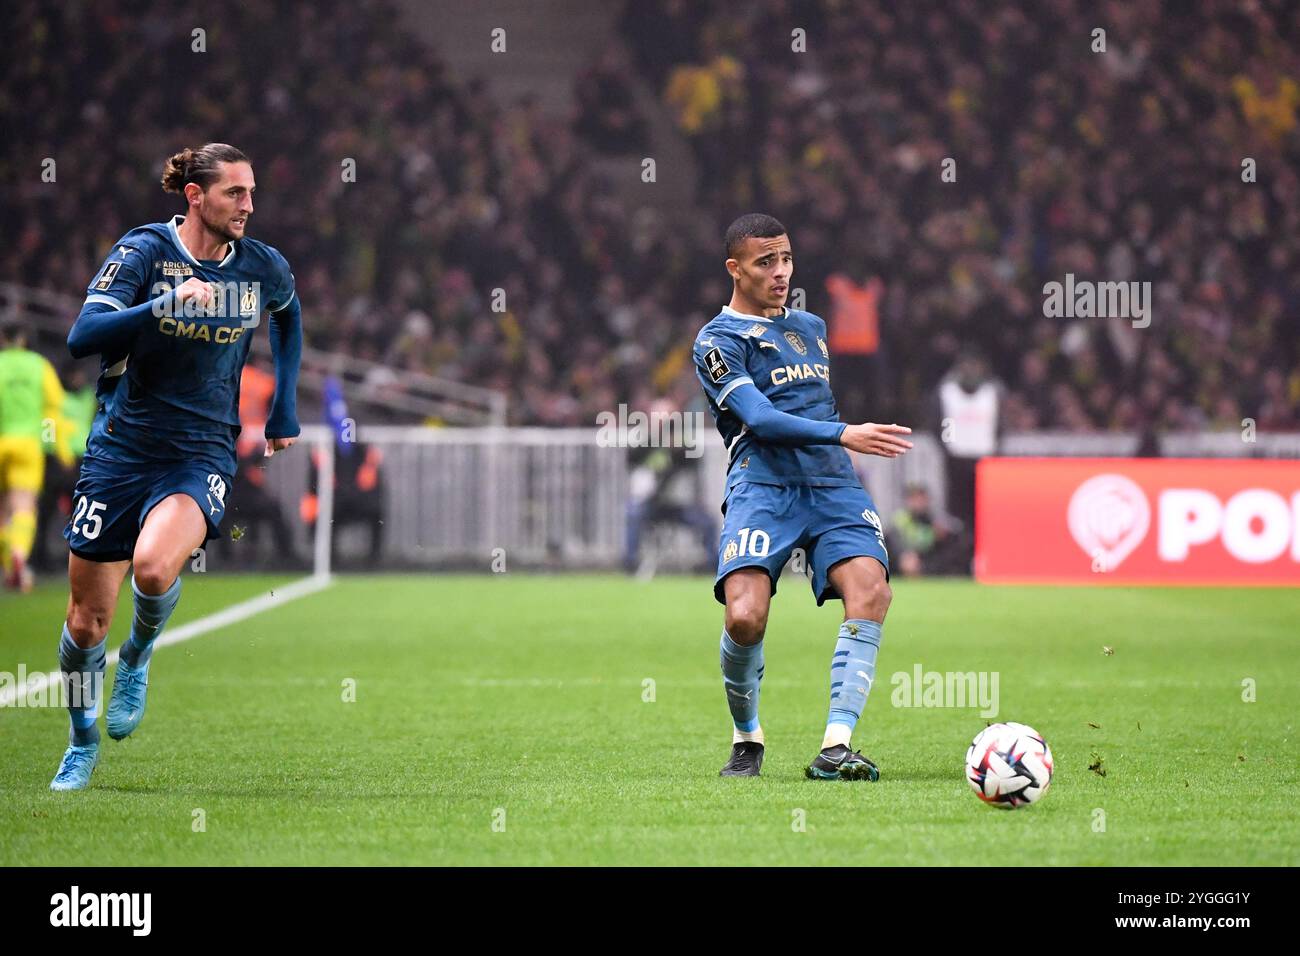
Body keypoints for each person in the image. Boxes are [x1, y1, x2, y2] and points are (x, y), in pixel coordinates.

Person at [50, 143, 303, 791]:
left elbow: (288, 315)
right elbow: (83, 338)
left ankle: (136, 655)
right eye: (234, 194)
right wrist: (163, 307)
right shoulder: (143, 254)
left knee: (155, 566)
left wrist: (283, 409)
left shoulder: (258, 266)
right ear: (196, 196)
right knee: (84, 622)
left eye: (252, 193)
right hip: (121, 448)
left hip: (202, 449)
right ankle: (81, 743)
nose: (249, 205)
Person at [692, 213, 913, 780]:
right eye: (766, 262)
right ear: (734, 269)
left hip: (833, 483)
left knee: (871, 591)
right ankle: (748, 738)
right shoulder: (717, 341)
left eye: (786, 258)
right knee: (744, 617)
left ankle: (836, 747)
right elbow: (761, 419)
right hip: (762, 483)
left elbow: (812, 406)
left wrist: (839, 443)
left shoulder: (811, 327)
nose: (782, 271)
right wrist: (845, 433)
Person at [0, 322, 73, 591]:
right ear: (25, 338)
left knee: (3, 511)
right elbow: (52, 413)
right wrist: (57, 448)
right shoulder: (39, 366)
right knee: (23, 506)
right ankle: (19, 555)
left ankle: (11, 568)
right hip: (28, 446)